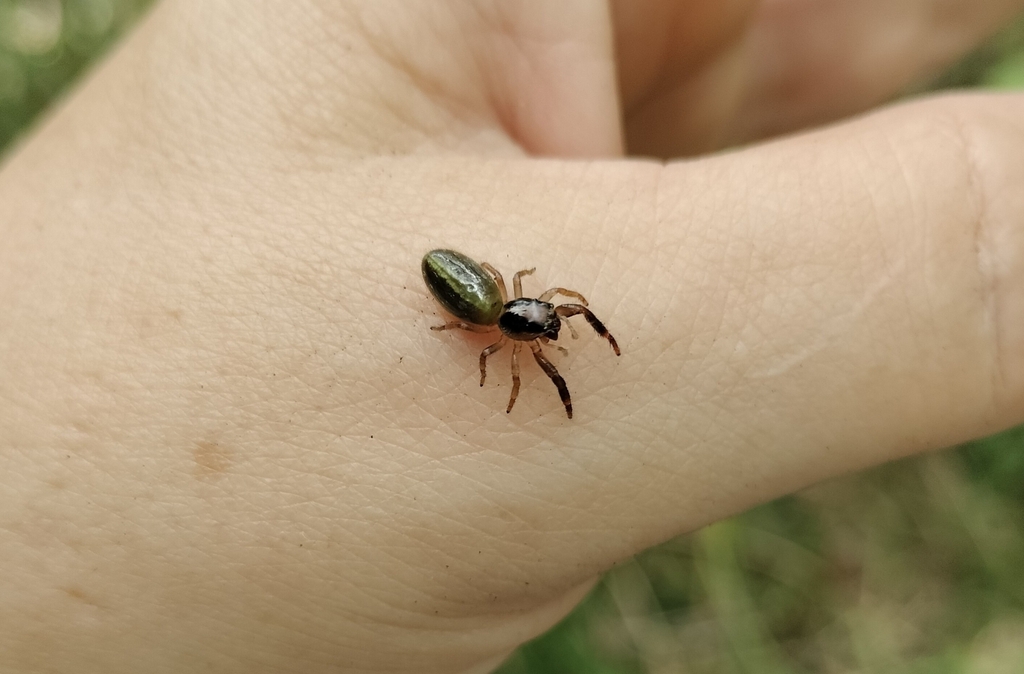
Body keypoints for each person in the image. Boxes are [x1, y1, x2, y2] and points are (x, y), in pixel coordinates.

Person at [2, 1, 1023, 671]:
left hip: (463, 278)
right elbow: (485, 321)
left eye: (550, 325)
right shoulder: (495, 322)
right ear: (522, 314)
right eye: (545, 326)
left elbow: (537, 302)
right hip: (457, 279)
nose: (550, 332)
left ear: (530, 310)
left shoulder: (517, 309)